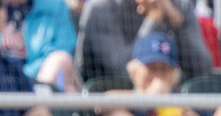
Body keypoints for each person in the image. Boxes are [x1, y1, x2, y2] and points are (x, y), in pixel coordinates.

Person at [76, 0, 212, 85]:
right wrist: (154, 19)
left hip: (173, 106)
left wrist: (177, 24)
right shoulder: (101, 8)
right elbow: (124, 72)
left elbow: (202, 70)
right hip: (115, 107)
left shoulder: (179, 5)